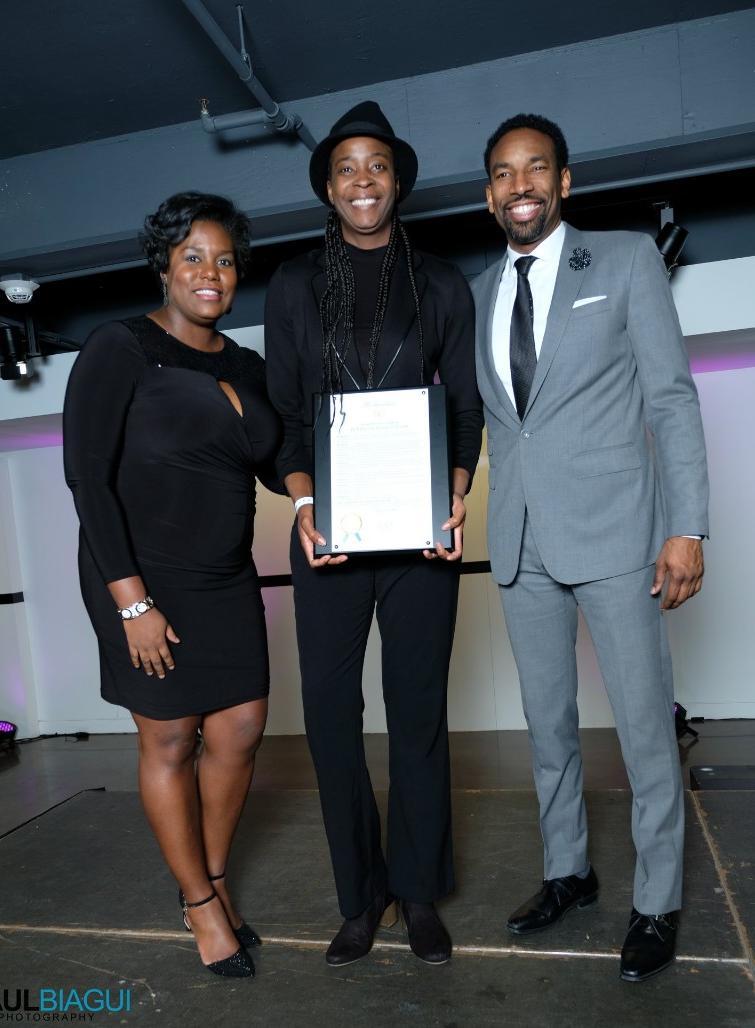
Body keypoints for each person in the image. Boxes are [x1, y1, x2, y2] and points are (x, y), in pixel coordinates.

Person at [472, 114, 709, 982]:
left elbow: (672, 400)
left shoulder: (623, 260)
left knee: (645, 731)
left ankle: (656, 903)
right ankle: (568, 870)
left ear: (564, 181)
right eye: (504, 173)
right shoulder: (475, 291)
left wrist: (687, 527)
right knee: (548, 728)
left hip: (618, 536)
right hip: (521, 541)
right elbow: (496, 422)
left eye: (537, 168)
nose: (520, 184)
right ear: (489, 194)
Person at [265, 101, 483, 967]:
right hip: (329, 534)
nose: (363, 179)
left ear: (398, 181)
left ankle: (419, 891)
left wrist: (456, 495)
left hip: (419, 534)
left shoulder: (440, 284)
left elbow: (462, 408)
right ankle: (361, 897)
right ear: (329, 184)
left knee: (419, 712)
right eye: (347, 166)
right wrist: (305, 506)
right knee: (329, 716)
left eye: (378, 165)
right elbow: (284, 413)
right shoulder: (291, 286)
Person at [63, 191, 283, 980]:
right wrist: (133, 603)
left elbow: (279, 463)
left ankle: (215, 878)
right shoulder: (118, 347)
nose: (210, 272)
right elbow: (88, 478)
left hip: (225, 577)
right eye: (193, 255)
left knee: (241, 728)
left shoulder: (246, 366)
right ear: (163, 264)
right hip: (142, 578)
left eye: (224, 259)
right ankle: (198, 906)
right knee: (170, 736)